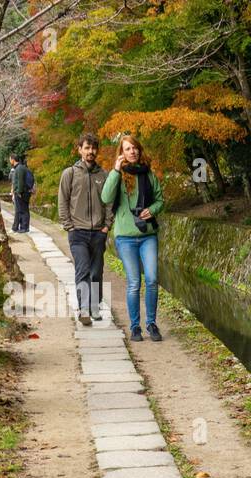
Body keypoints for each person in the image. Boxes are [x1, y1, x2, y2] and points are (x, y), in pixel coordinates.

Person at [101, 133, 164, 342]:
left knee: (153, 280)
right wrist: (115, 170)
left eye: (134, 148)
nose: (132, 152)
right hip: (126, 237)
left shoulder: (149, 174)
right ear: (122, 153)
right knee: (134, 283)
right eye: (127, 149)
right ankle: (135, 326)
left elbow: (160, 200)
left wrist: (152, 210)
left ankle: (152, 324)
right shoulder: (118, 176)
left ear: (139, 149)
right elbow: (106, 197)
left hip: (148, 235)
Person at [58, 134, 113, 326]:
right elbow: (63, 201)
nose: (91, 152)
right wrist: (69, 226)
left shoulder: (104, 175)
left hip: (98, 232)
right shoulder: (70, 174)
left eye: (94, 148)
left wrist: (107, 226)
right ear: (79, 149)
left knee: (96, 272)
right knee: (82, 270)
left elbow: (109, 203)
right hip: (78, 233)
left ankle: (95, 306)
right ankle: (83, 309)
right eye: (87, 148)